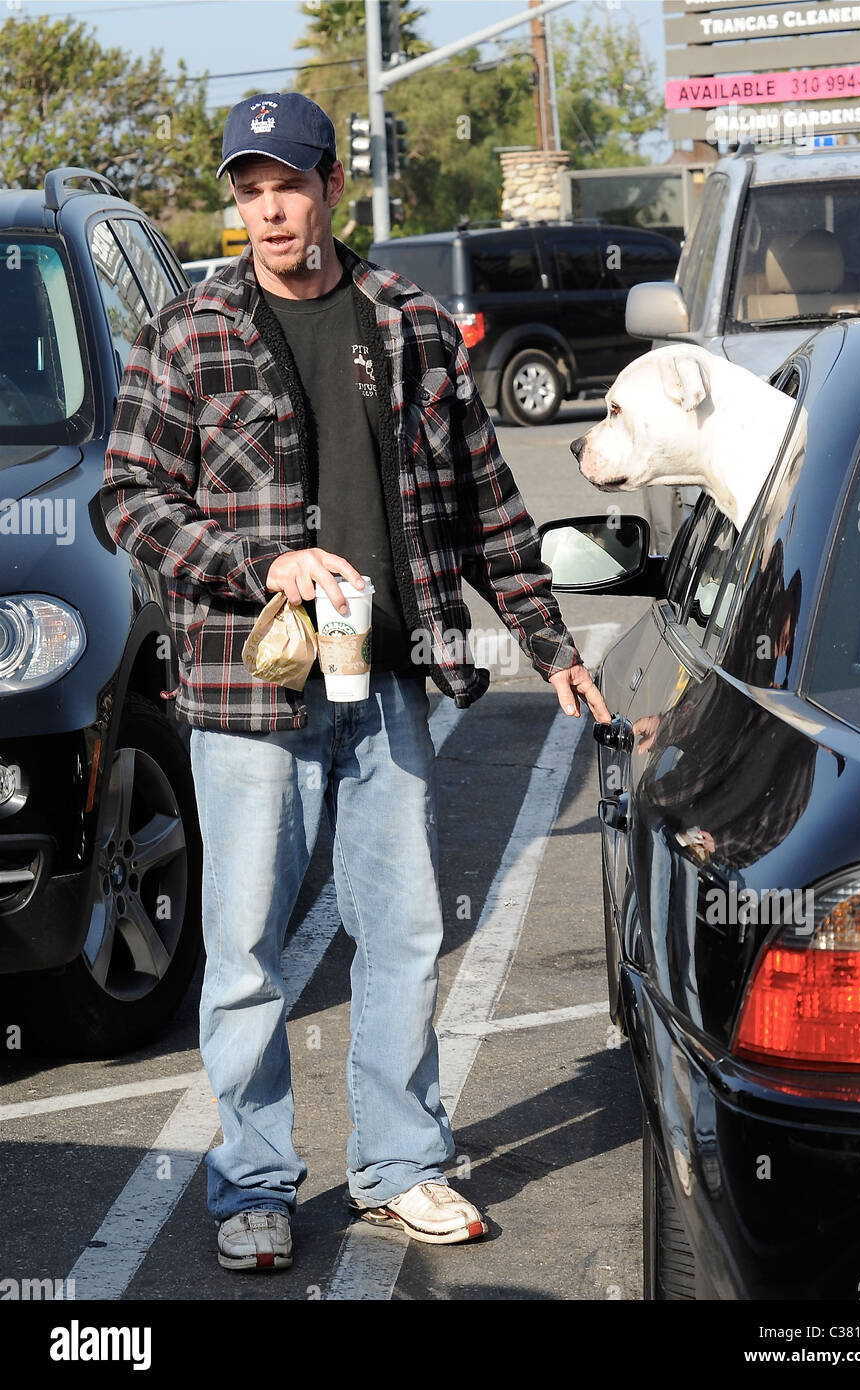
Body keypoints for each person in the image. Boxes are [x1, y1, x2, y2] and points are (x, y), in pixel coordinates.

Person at [100, 91, 610, 1271]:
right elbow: (129, 501)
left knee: (400, 936)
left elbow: (487, 505)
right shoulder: (186, 334)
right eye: (248, 189)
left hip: (387, 683)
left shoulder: (414, 324)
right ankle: (252, 1188)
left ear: (333, 187)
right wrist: (256, 560)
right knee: (243, 950)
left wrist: (552, 646)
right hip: (247, 694)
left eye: (288, 183)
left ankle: (398, 1165)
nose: (270, 210)